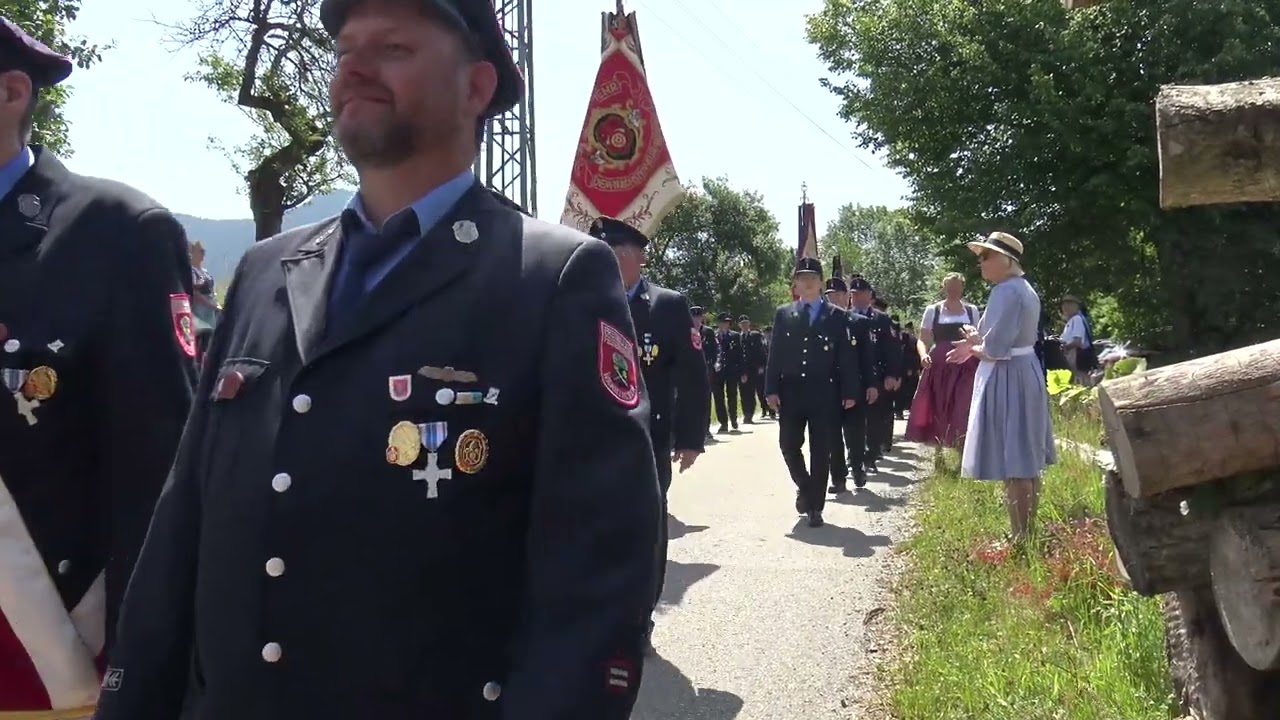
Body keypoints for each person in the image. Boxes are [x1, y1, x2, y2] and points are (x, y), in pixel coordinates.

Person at [93, 1, 660, 718]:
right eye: (344, 50)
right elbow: (183, 527)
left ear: (477, 89)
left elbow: (597, 574)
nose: (353, 67)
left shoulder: (551, 278)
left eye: (392, 47)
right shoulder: (269, 272)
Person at [0, 17, 198, 720]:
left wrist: (141, 674)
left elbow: (161, 474)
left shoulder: (113, 232)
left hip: (51, 673)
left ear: (12, 91)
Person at [589, 215, 707, 653]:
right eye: (604, 255)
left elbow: (693, 376)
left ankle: (640, 619)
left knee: (646, 529)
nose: (612, 263)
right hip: (588, 440)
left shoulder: (667, 306)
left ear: (638, 259)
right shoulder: (577, 299)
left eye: (620, 255)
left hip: (647, 439)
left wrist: (692, 437)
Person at [948, 232, 1056, 542]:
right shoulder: (1023, 289)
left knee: (1016, 459)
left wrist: (974, 347)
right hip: (1024, 371)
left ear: (1005, 260)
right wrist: (977, 341)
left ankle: (1020, 536)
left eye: (986, 256)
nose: (980, 263)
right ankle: (1025, 533)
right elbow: (1002, 339)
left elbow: (995, 349)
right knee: (1025, 458)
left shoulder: (1005, 292)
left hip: (1010, 376)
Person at [765, 257, 859, 527]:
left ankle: (815, 506)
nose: (807, 283)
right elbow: (776, 354)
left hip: (824, 391)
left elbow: (845, 357)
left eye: (812, 278)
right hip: (791, 390)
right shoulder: (784, 314)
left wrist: (849, 390)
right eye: (802, 278)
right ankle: (805, 487)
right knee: (788, 445)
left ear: (820, 283)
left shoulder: (836, 316)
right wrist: (771, 388)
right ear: (795, 283)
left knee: (821, 450)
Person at [906, 273, 981, 448]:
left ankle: (962, 447)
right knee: (938, 405)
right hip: (939, 365)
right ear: (944, 288)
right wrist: (923, 355)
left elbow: (978, 337)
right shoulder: (933, 310)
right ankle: (938, 450)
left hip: (966, 365)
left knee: (964, 404)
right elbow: (923, 339)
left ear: (962, 288)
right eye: (950, 288)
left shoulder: (972, 311)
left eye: (957, 287)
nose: (953, 291)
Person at [822, 276, 878, 493]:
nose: (834, 300)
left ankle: (857, 467)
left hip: (855, 387)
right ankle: (838, 478)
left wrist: (872, 384)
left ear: (847, 297)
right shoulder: (821, 323)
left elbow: (867, 358)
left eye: (838, 295)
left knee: (854, 434)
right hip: (829, 389)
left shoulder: (858, 323)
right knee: (831, 436)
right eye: (829, 296)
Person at [847, 275, 901, 471]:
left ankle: (870, 454)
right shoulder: (845, 318)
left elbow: (892, 350)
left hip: (877, 377)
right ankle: (854, 454)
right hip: (853, 377)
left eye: (861, 294)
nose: (857, 298)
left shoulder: (881, 319)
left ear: (869, 295)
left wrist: (892, 374)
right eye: (853, 294)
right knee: (852, 420)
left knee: (876, 419)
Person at [711, 310, 744, 433]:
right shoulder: (713, 336)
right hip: (717, 371)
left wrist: (742, 371)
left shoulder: (735, 336)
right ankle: (723, 422)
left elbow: (741, 355)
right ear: (719, 323)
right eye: (723, 322)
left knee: (732, 396)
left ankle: (733, 419)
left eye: (727, 322)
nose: (726, 324)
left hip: (732, 370)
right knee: (719, 398)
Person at [189, 239, 219, 362]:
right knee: (199, 342)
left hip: (209, 310)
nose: (203, 254)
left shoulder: (205, 272)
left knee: (209, 341)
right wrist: (211, 305)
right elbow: (195, 293)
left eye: (204, 251)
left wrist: (215, 305)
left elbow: (212, 291)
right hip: (199, 311)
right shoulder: (191, 271)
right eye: (200, 251)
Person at [691, 305, 717, 441]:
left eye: (698, 317)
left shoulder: (709, 332)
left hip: (706, 371)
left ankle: (706, 429)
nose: (696, 320)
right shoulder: (685, 331)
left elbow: (714, 350)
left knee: (706, 400)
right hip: (689, 372)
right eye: (694, 317)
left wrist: (712, 363)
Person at [1059, 294, 1096, 386]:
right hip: (1076, 356)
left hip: (1078, 356)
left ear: (1076, 306)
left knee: (1081, 383)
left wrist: (1063, 347)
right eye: (1064, 305)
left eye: (1068, 304)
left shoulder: (1077, 319)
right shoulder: (1072, 320)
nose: (1065, 308)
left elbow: (1077, 341)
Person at [738, 314, 765, 423]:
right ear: (739, 325)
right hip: (741, 369)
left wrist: (761, 366)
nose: (744, 325)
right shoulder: (737, 337)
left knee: (752, 392)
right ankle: (746, 414)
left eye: (746, 323)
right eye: (742, 324)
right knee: (744, 393)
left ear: (749, 324)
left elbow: (761, 351)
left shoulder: (755, 335)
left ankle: (750, 414)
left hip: (753, 368)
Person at [898, 320, 921, 419]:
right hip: (906, 368)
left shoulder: (910, 339)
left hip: (908, 368)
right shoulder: (908, 339)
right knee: (904, 391)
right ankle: (901, 411)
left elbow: (916, 355)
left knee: (908, 391)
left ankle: (902, 411)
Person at [758, 325, 774, 418]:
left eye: (770, 332)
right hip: (762, 369)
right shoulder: (760, 342)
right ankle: (764, 409)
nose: (768, 334)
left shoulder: (776, 343)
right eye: (766, 332)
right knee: (761, 390)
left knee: (771, 389)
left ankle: (772, 411)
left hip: (772, 369)